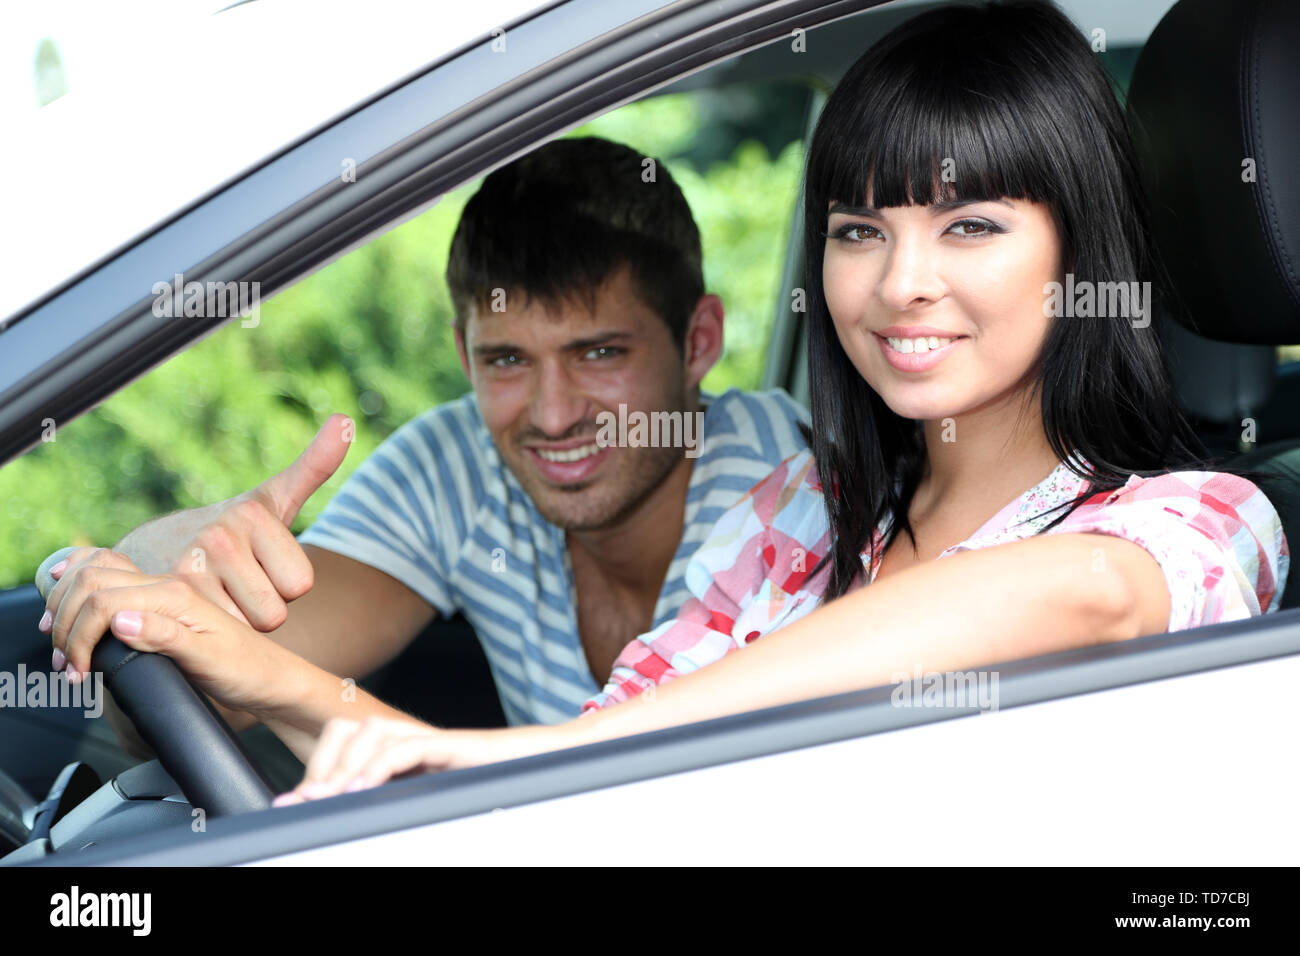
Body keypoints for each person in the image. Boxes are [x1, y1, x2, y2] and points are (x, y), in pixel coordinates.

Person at [258, 0, 1289, 802]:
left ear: (1077, 254)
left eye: (969, 225)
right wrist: (203, 646)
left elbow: (1085, 592)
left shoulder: (1197, 517)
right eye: (859, 229)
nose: (899, 283)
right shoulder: (794, 516)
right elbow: (586, 765)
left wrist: (533, 753)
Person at [36, 136, 809, 761]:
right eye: (508, 360)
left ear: (699, 340)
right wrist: (169, 567)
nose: (553, 413)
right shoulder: (460, 462)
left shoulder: (791, 497)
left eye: (599, 353)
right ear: (465, 357)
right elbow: (195, 708)